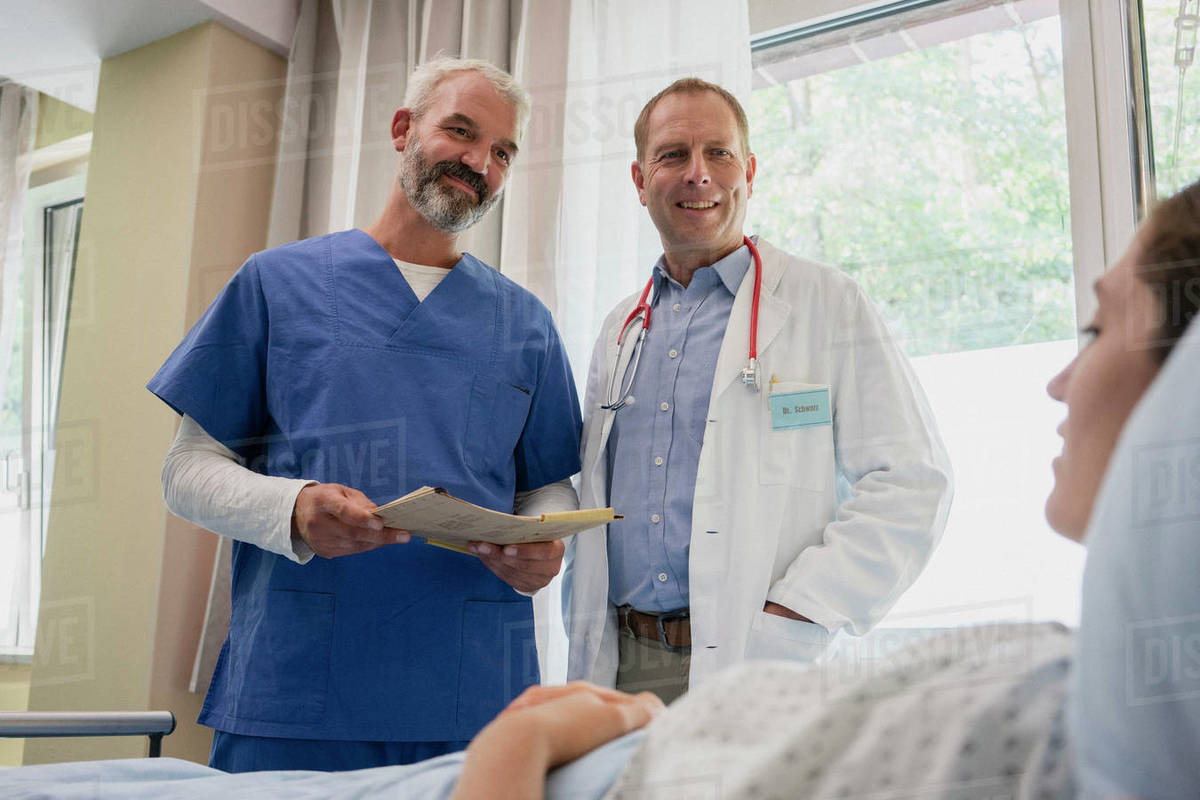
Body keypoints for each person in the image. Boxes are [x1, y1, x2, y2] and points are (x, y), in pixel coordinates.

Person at [146, 58, 583, 772]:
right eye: (461, 132)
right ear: (403, 129)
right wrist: (292, 507)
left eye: (502, 152)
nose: (479, 162)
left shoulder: (524, 325)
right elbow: (184, 471)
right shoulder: (276, 283)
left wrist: (543, 544)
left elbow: (548, 484)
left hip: (474, 697)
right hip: (297, 686)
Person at [563, 77, 954, 702]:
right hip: (624, 662)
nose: (699, 174)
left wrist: (800, 611)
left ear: (748, 171)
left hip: (758, 654)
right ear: (639, 181)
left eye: (718, 153)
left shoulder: (825, 303)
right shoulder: (621, 328)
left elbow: (911, 482)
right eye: (672, 155)